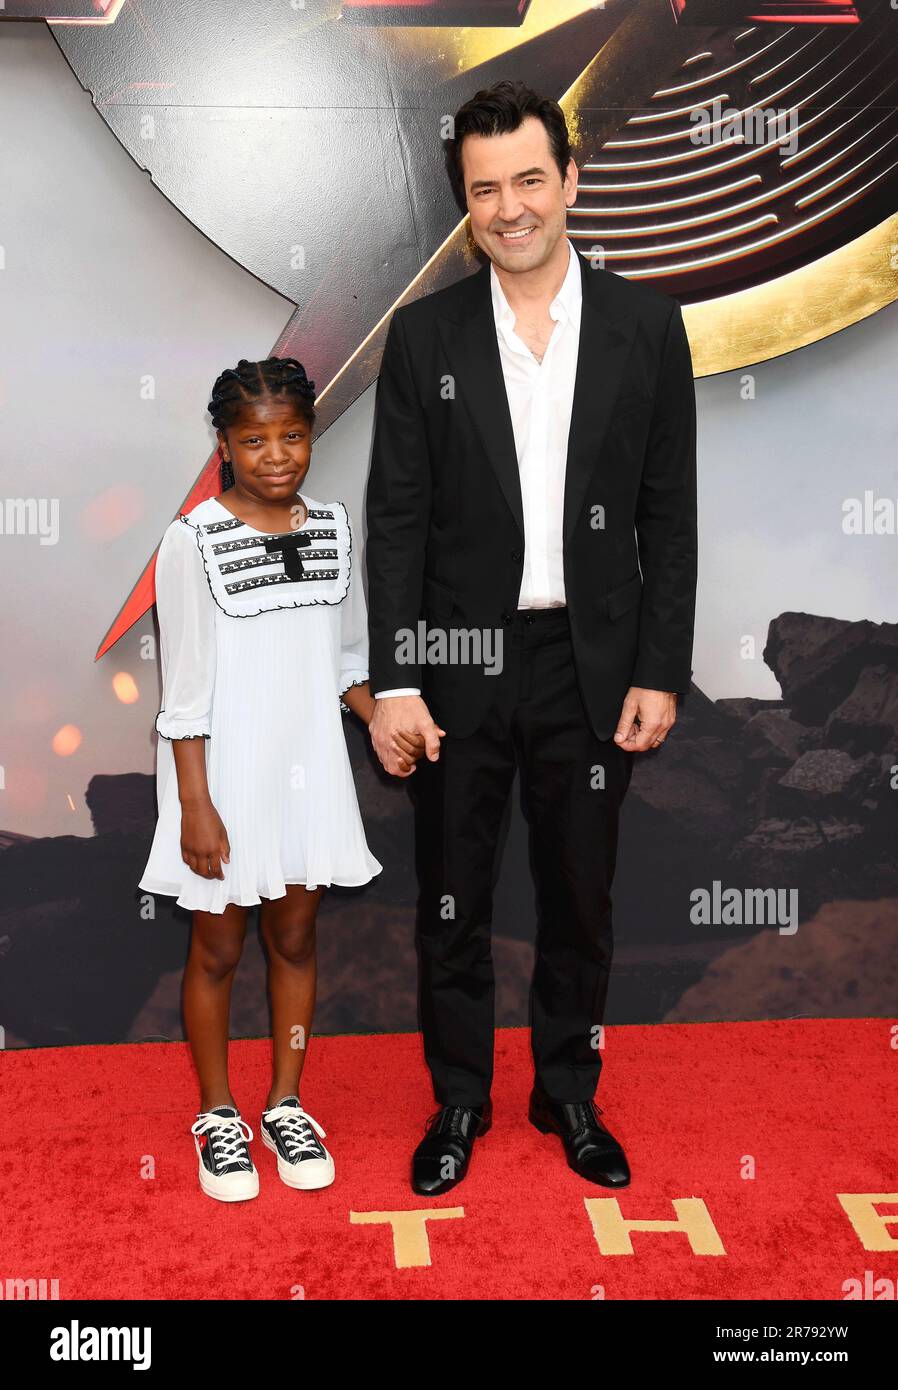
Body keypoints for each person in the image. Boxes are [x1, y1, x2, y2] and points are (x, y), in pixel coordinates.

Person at [366, 81, 697, 1195]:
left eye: (527, 180)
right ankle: (457, 1097)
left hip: (588, 666)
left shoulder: (648, 326)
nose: (509, 208)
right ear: (464, 203)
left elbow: (668, 511)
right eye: (483, 190)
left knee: (579, 897)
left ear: (570, 177)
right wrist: (397, 682)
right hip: (459, 666)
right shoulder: (423, 337)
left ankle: (568, 1092)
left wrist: (659, 665)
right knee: (450, 898)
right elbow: (397, 519)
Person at [139, 356, 423, 1202]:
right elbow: (183, 694)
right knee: (218, 947)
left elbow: (342, 662)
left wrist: (383, 721)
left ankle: (286, 1104)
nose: (275, 455)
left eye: (291, 436)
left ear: (310, 438)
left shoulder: (335, 526)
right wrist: (196, 805)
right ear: (223, 445)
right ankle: (218, 1114)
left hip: (308, 777)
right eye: (254, 439)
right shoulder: (191, 541)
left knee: (295, 941)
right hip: (221, 780)